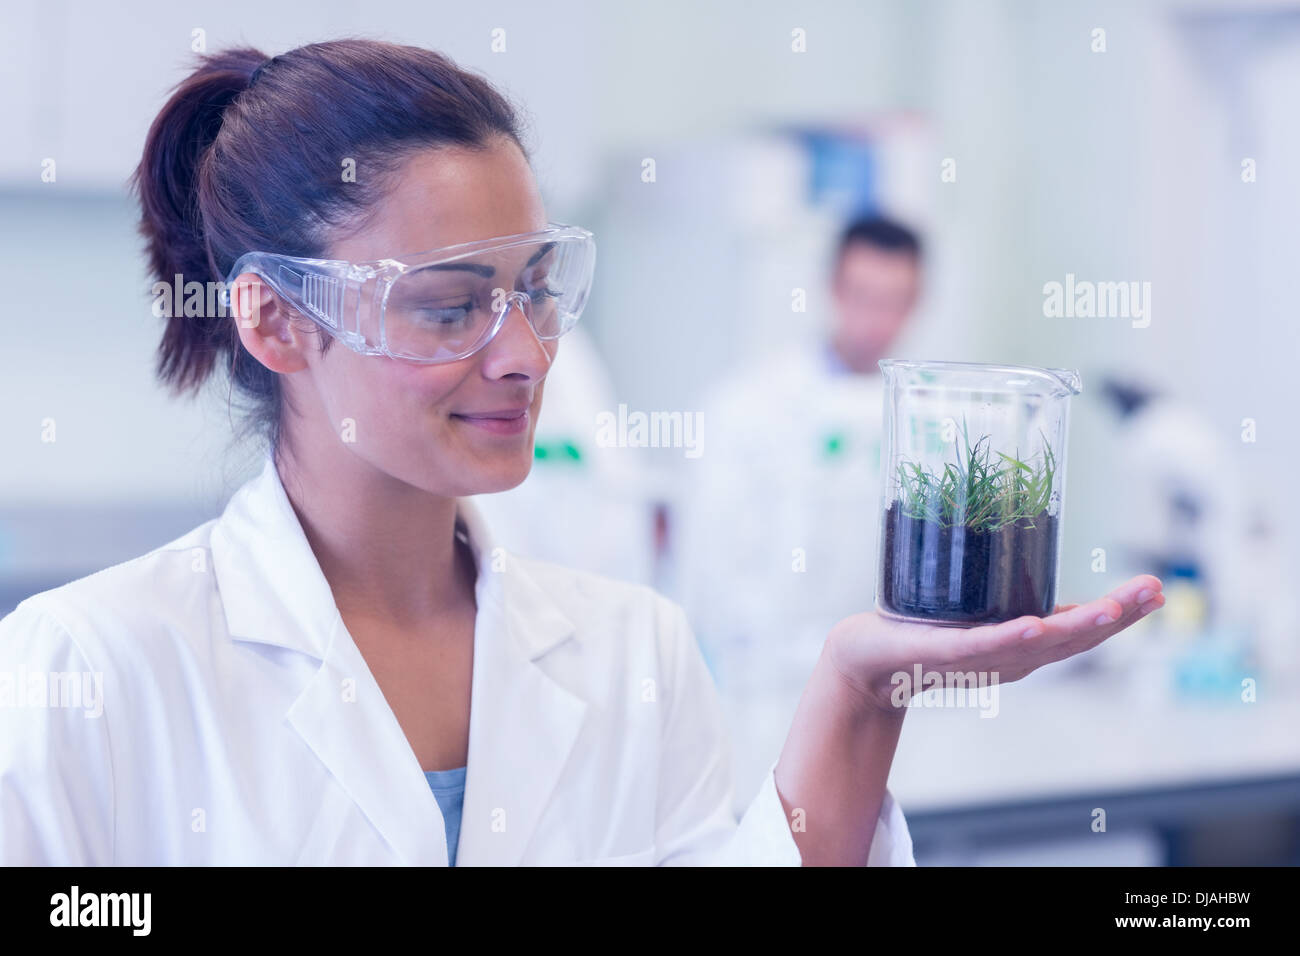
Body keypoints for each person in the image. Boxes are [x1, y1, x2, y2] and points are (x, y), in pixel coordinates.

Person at [0, 40, 1164, 866]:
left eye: (537, 292)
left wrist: (861, 691)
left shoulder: (627, 650)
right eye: (451, 305)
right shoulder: (85, 670)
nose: (524, 354)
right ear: (275, 320)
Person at [675, 215, 923, 800]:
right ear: (832, 290)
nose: (878, 321)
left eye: (896, 301)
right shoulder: (751, 406)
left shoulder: (926, 415)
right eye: (863, 296)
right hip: (764, 701)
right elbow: (713, 575)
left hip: (892, 697)